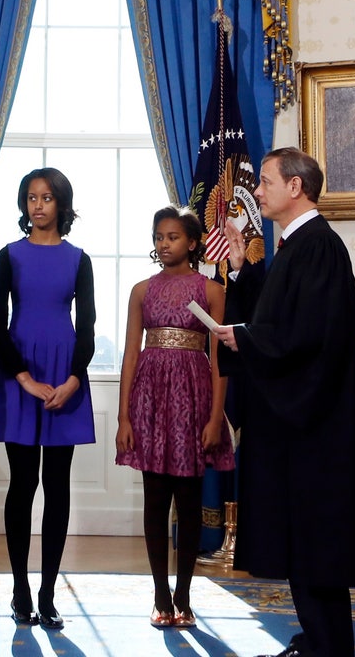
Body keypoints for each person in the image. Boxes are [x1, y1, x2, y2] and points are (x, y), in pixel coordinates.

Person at [214, 148, 355, 657]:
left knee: (316, 546)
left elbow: (308, 335)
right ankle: (317, 642)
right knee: (304, 545)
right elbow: (276, 315)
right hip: (296, 429)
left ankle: (327, 648)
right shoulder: (295, 248)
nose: (256, 192)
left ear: (295, 187)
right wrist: (240, 271)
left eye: (264, 181)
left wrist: (248, 338)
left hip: (313, 431)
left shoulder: (319, 247)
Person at [0, 167, 94, 630]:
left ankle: (48, 592)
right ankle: (20, 589)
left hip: (65, 372)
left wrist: (73, 379)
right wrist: (23, 378)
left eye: (47, 198)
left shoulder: (80, 259)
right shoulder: (9, 255)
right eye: (31, 197)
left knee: (58, 486)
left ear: (61, 205)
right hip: (19, 371)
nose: (38, 205)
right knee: (22, 484)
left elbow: (87, 327)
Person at [115, 206, 232, 629]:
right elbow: (131, 354)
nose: (164, 244)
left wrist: (216, 417)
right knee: (154, 499)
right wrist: (124, 416)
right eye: (159, 237)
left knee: (189, 500)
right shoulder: (142, 290)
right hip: (150, 398)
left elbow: (221, 360)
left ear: (193, 242)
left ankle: (184, 594)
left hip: (194, 399)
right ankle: (160, 594)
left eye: (173, 237)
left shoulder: (212, 290)